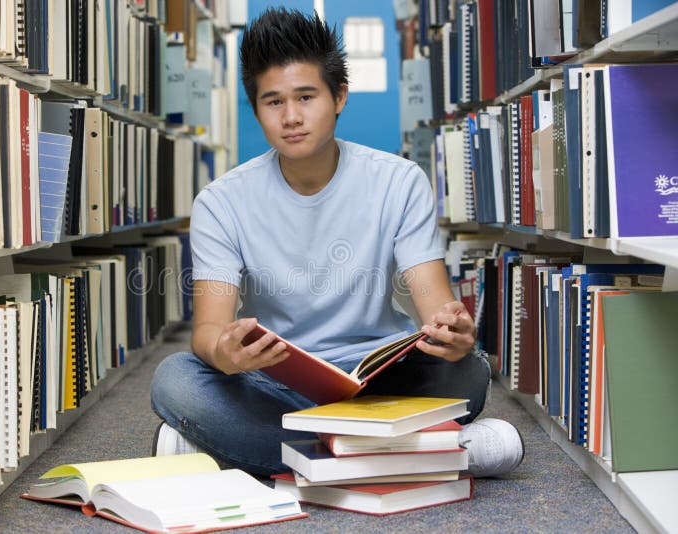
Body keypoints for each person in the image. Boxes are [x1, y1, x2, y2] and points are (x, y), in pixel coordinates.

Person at [150, 7, 523, 478]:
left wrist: (452, 335)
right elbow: (207, 330)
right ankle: (419, 449)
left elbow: (435, 307)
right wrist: (225, 352)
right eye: (273, 102)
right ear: (258, 108)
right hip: (277, 379)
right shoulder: (220, 202)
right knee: (175, 379)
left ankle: (263, 451)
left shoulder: (399, 181)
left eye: (306, 96)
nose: (291, 117)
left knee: (467, 372)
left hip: (378, 377)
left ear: (339, 96)